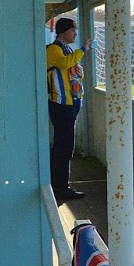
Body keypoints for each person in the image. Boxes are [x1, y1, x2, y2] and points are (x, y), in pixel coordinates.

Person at [46, 16, 86, 202]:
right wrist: (83, 50)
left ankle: (57, 184)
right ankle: (60, 188)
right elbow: (63, 64)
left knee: (63, 145)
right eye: (72, 30)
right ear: (62, 32)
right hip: (61, 104)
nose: (75, 34)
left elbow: (71, 71)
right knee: (64, 146)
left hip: (71, 103)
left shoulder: (67, 49)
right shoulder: (54, 49)